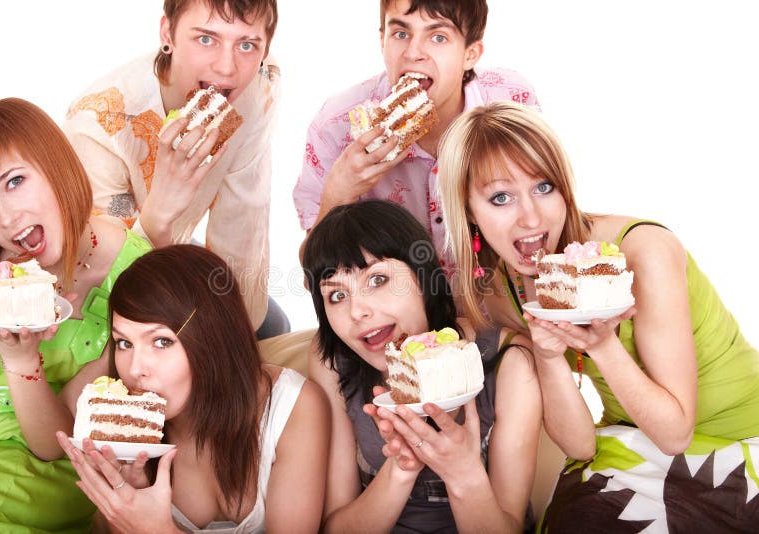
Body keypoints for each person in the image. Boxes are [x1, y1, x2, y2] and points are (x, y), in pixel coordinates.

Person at [438, 101, 759, 531]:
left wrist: (603, 345)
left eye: (544, 187)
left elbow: (676, 434)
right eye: (500, 198)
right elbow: (581, 445)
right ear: (468, 212)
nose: (531, 217)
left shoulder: (644, 254)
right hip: (631, 447)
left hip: (740, 439)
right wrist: (549, 358)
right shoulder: (502, 292)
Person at [0, 98, 151, 533]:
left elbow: (53, 448)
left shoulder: (131, 279)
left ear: (57, 165)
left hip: (30, 474)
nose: (5, 218)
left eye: (15, 181)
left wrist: (22, 361)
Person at [302, 199, 541, 532]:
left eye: (377, 280)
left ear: (423, 277)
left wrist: (464, 473)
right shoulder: (333, 362)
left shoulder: (508, 360)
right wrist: (401, 468)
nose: (357, 311)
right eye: (337, 296)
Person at [56, 244, 328, 533]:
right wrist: (126, 500)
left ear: (213, 337)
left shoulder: (292, 407)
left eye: (161, 341)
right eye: (124, 343)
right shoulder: (129, 437)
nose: (135, 370)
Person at [63, 0, 289, 339]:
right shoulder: (98, 127)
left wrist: (236, 335)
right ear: (167, 33)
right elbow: (107, 275)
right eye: (205, 39)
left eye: (245, 44)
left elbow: (244, 214)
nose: (227, 68)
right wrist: (163, 204)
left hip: (180, 242)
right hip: (104, 270)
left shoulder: (261, 81)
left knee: (268, 328)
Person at [293, 0, 539, 263]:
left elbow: (544, 219)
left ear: (471, 54)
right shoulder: (335, 125)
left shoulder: (512, 101)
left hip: (497, 297)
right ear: (382, 40)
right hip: (397, 300)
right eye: (400, 34)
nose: (413, 52)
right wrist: (336, 197)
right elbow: (314, 276)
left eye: (438, 37)